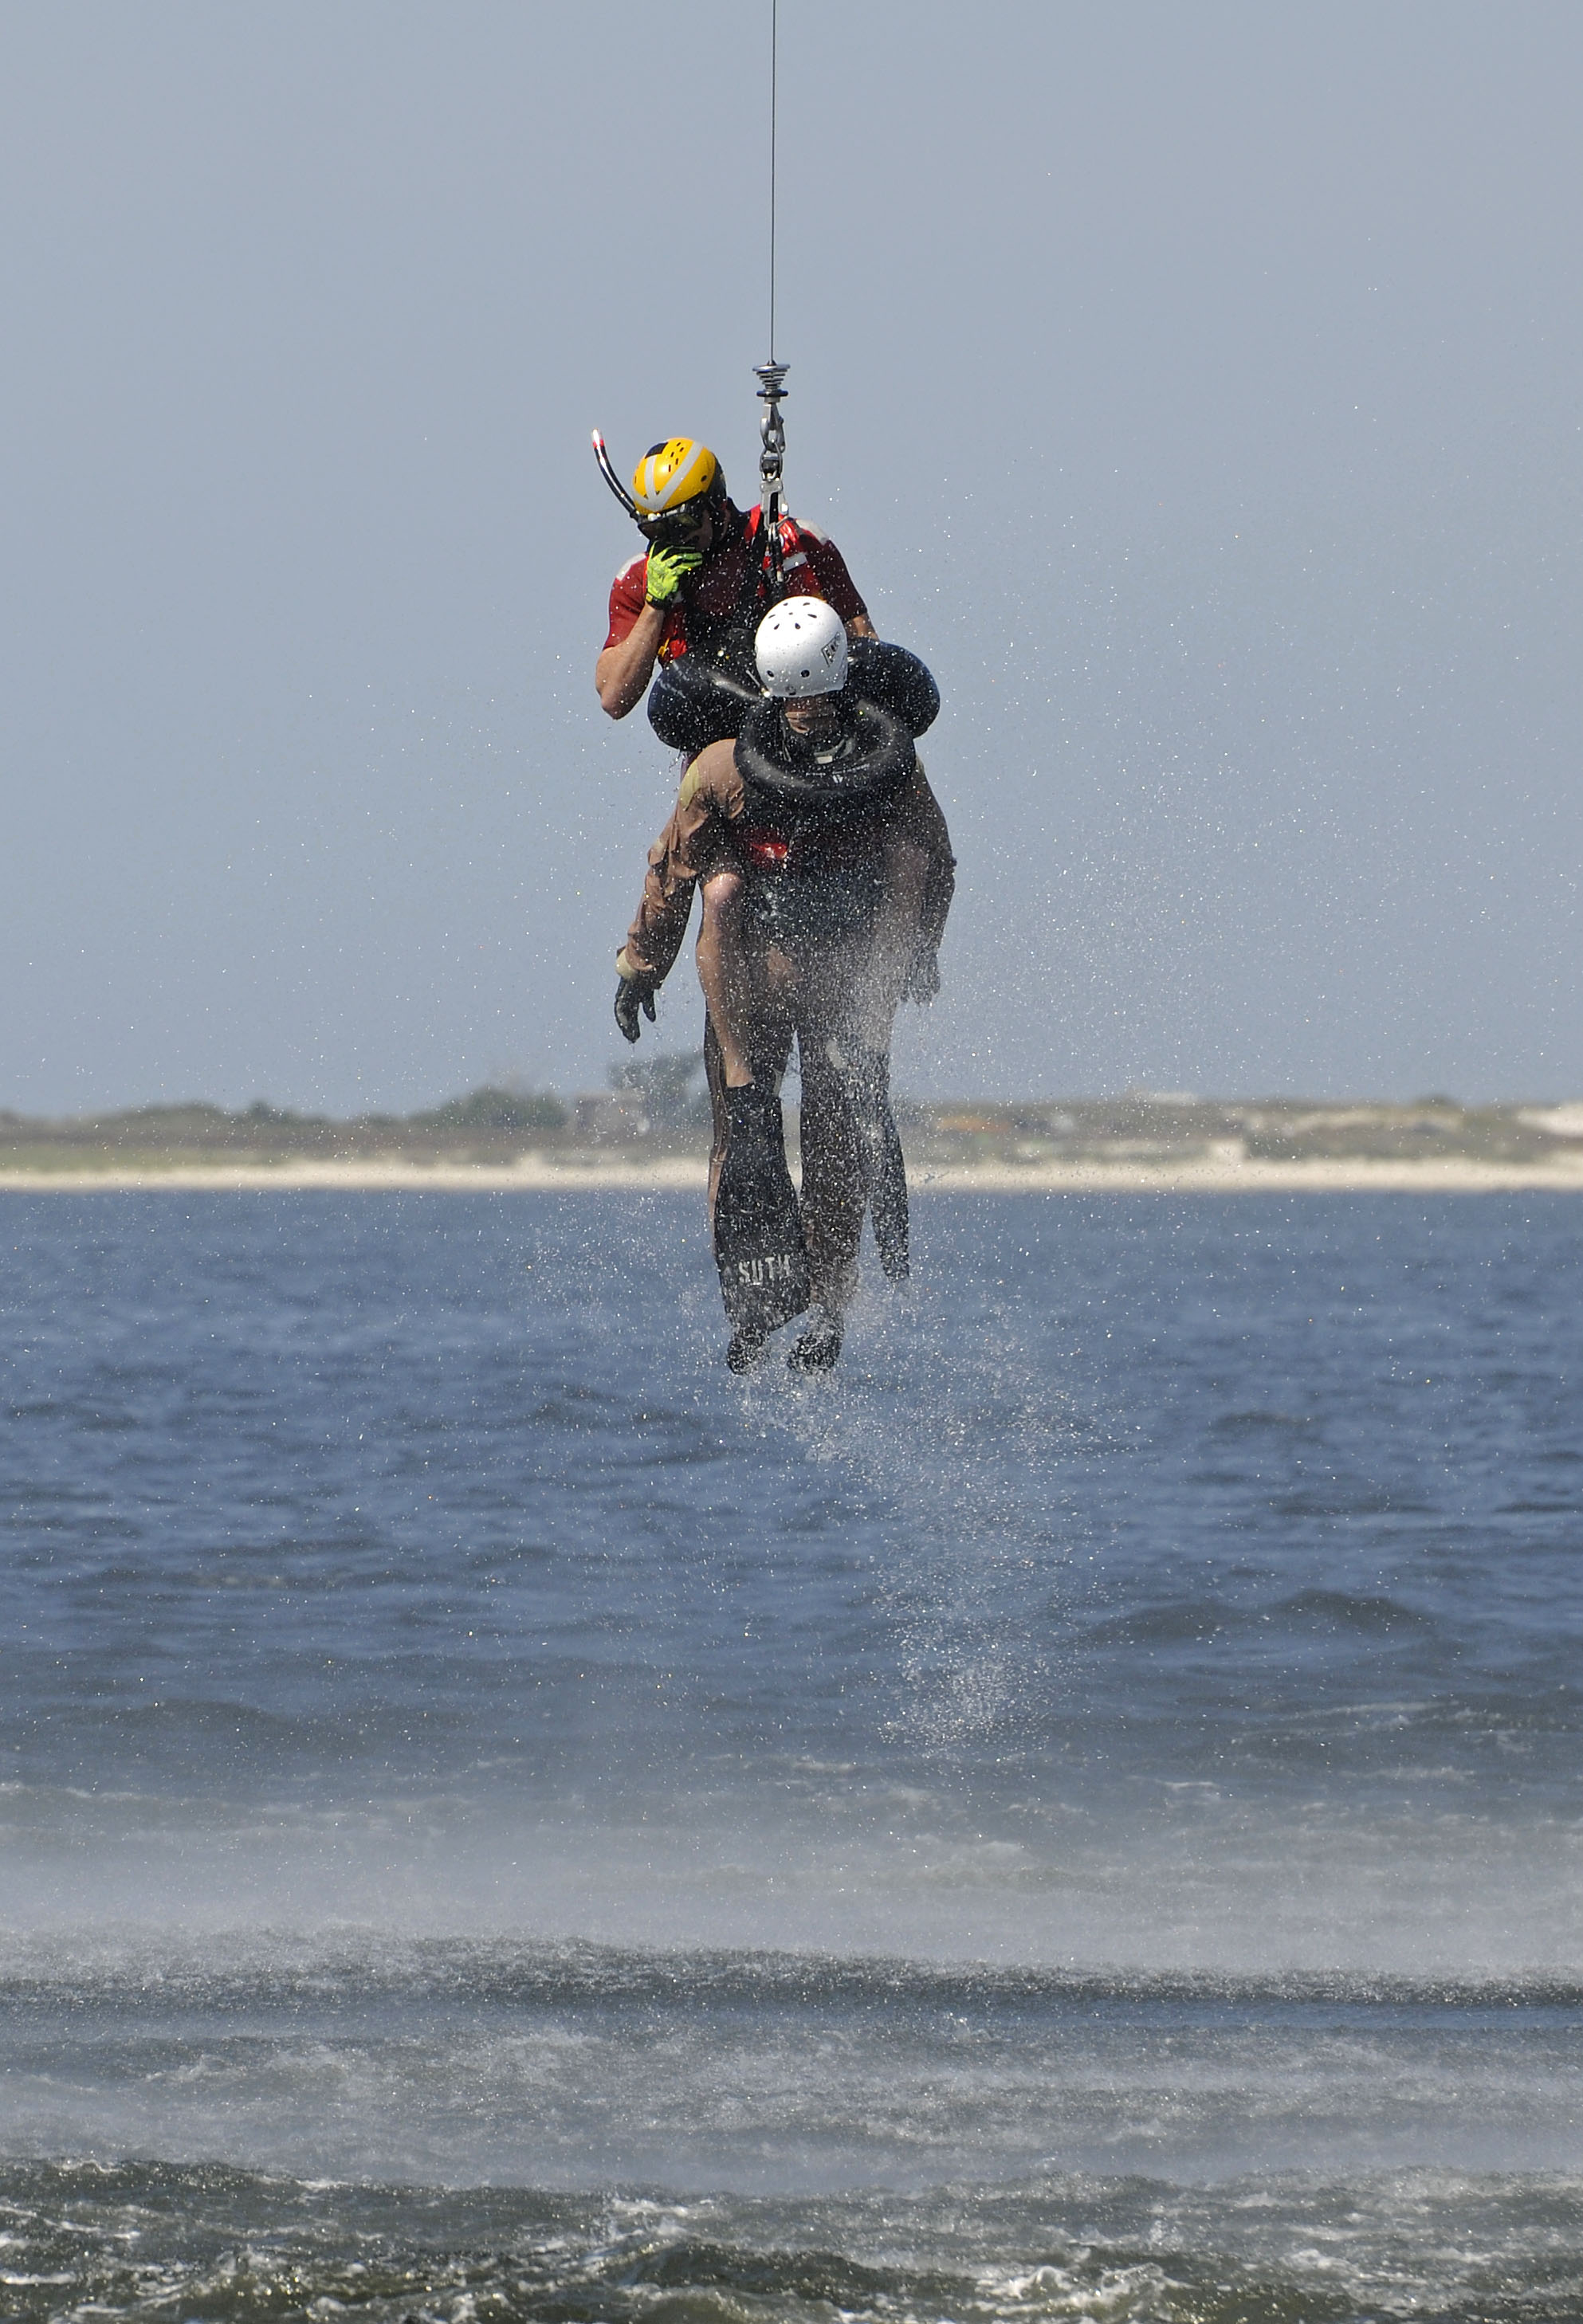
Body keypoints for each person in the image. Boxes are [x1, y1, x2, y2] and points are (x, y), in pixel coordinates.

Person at [614, 599, 954, 1375]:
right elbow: (938, 859)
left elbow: (670, 873)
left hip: (815, 979)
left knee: (775, 1140)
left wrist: (640, 966)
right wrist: (924, 955)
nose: (805, 718)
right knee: (791, 1143)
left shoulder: (730, 767)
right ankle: (792, 1309)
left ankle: (793, 1315)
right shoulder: (742, 769)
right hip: (792, 981)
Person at [595, 438, 875, 727]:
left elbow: (866, 646)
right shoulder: (637, 580)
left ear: (716, 503)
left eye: (684, 523)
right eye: (656, 530)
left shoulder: (796, 543)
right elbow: (614, 699)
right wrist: (655, 606)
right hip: (724, 740)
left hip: (822, 720)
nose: (676, 538)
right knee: (720, 760)